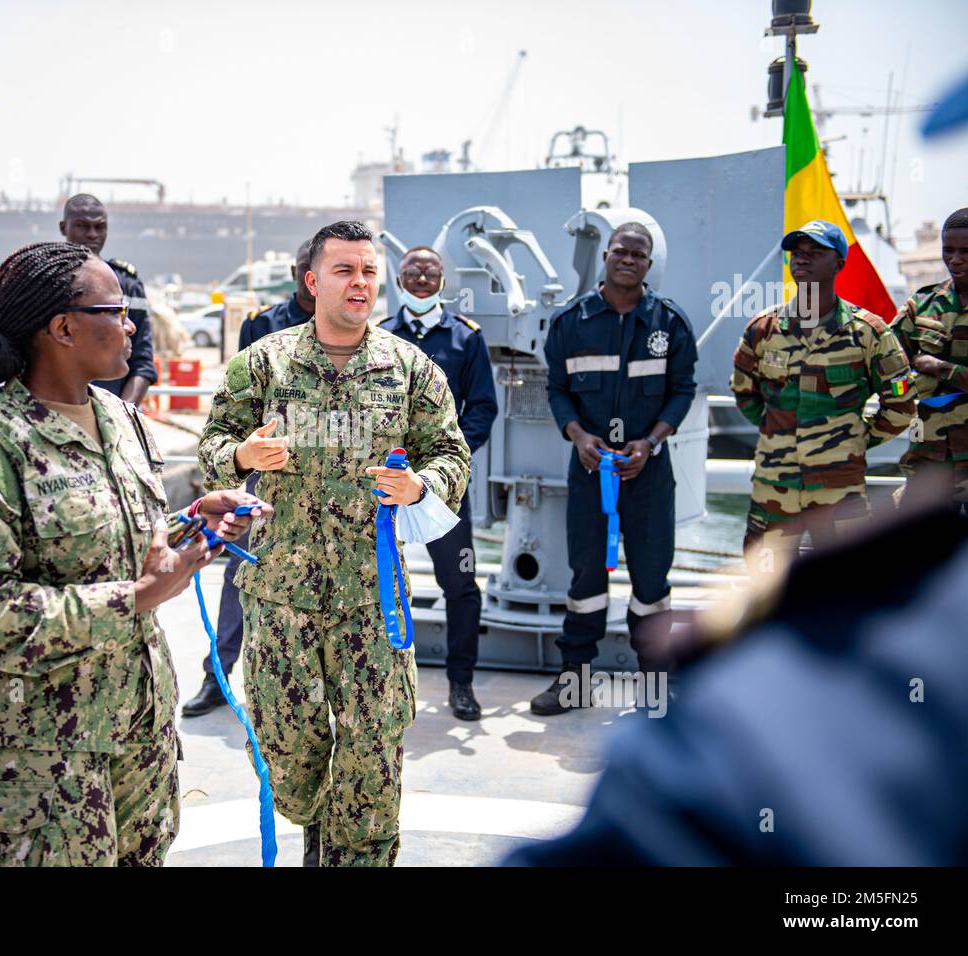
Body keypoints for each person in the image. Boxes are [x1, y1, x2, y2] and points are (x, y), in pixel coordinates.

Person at [0, 241, 265, 866]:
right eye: (116, 311)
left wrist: (193, 525)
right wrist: (137, 597)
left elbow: (129, 540)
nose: (132, 325)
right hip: (38, 755)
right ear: (62, 327)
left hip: (137, 723)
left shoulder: (119, 417)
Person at [199, 220, 471, 866]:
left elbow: (452, 455)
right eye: (345, 271)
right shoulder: (263, 363)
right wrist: (241, 453)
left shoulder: (410, 368)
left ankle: (352, 851)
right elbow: (210, 450)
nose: (360, 283)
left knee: (372, 755)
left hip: (373, 603)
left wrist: (421, 485)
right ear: (312, 280)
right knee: (288, 752)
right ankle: (320, 828)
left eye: (369, 271)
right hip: (280, 599)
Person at [505, 493, 968, 866]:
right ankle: (576, 679)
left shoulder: (717, 752)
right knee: (587, 588)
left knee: (651, 597)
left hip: (822, 472)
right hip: (747, 474)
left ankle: (651, 689)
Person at [535, 222, 697, 716]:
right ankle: (576, 682)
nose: (629, 259)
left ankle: (656, 687)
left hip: (648, 475)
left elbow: (682, 389)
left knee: (652, 581)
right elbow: (557, 389)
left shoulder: (669, 324)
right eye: (621, 251)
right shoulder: (571, 323)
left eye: (639, 254)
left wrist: (650, 442)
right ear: (606, 254)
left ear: (649, 264)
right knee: (586, 578)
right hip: (590, 472)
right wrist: (579, 436)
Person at [182, 238, 316, 718]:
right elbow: (238, 403)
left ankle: (302, 691)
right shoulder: (263, 326)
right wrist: (245, 455)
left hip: (327, 480)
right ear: (302, 271)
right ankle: (217, 676)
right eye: (303, 267)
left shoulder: (355, 333)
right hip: (267, 471)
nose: (308, 276)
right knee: (239, 571)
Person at [731, 219, 915, 569]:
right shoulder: (763, 329)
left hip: (839, 490)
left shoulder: (869, 333)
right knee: (764, 590)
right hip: (774, 487)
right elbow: (744, 393)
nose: (802, 259)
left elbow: (901, 405)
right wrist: (780, 431)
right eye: (797, 254)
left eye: (815, 253)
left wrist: (853, 440)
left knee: (845, 590)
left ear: (839, 264)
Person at [379, 245, 497, 721]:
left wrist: (443, 464)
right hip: (386, 484)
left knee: (460, 584)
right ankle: (381, 683)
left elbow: (483, 408)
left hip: (442, 488)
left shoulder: (466, 339)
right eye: (412, 271)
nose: (421, 278)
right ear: (400, 278)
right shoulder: (381, 336)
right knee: (379, 577)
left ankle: (461, 683)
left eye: (430, 272)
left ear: (442, 280)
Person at [890, 207, 968, 514]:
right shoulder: (921, 305)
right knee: (920, 551)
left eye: (965, 251)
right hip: (929, 458)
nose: (956, 260)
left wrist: (940, 368)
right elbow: (888, 365)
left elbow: (928, 365)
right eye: (948, 251)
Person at [59, 193, 156, 403]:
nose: (92, 234)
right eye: (82, 226)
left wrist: (122, 416)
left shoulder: (127, 283)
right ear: (63, 227)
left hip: (112, 414)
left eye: (100, 227)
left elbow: (142, 362)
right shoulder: (49, 283)